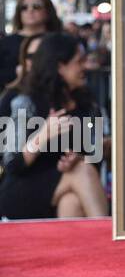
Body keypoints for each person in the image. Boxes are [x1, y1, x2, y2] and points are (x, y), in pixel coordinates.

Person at [0, 33, 107, 219]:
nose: (86, 66)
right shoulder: (26, 101)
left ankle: (81, 248)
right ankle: (111, 243)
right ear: (60, 66)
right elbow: (12, 163)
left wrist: (78, 157)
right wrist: (43, 135)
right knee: (81, 172)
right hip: (23, 189)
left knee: (72, 202)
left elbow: (95, 158)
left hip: (68, 184)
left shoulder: (87, 103)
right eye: (79, 61)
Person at [0, 0, 62, 86]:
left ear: (47, 10)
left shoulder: (60, 41)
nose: (30, 10)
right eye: (24, 7)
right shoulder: (5, 43)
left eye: (36, 6)